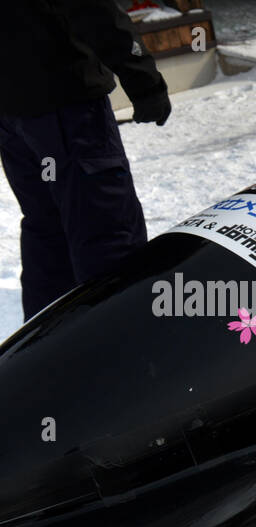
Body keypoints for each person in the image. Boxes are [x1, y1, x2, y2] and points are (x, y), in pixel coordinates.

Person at [0, 0, 169, 320]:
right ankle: (123, 351)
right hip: (67, 110)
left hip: (15, 116)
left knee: (48, 232)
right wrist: (143, 77)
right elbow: (91, 6)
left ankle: (46, 356)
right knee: (107, 237)